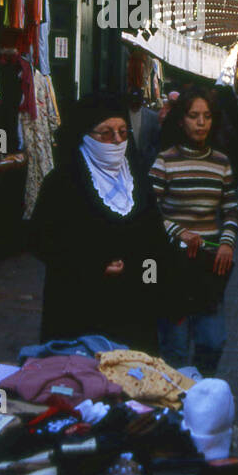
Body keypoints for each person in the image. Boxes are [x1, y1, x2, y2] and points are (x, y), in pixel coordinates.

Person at [29, 93, 170, 354]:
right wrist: (93, 265)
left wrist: (148, 280)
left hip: (132, 309)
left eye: (122, 132)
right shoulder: (62, 182)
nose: (116, 141)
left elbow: (155, 241)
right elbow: (40, 241)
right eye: (105, 133)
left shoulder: (137, 178)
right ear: (86, 135)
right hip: (79, 308)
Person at [151, 86, 238, 375]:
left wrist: (226, 243)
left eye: (206, 116)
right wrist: (179, 232)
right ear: (181, 121)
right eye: (193, 116)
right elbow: (149, 212)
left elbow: (231, 209)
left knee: (212, 340)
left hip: (210, 264)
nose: (201, 122)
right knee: (175, 348)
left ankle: (201, 396)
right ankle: (174, 411)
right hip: (174, 265)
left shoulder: (222, 162)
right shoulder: (165, 160)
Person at [126, 86, 161, 172]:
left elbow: (156, 140)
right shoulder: (122, 114)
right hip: (127, 163)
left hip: (146, 163)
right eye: (133, 99)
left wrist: (150, 156)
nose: (135, 102)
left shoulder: (152, 116)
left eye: (137, 100)